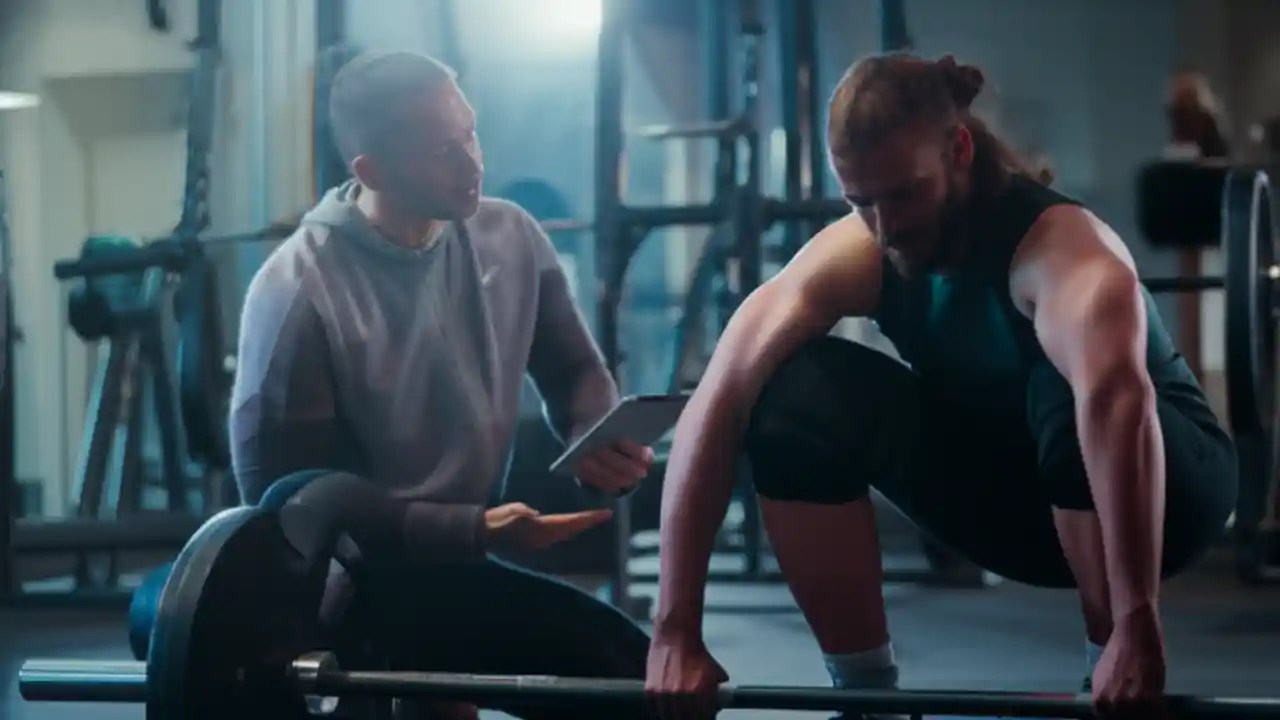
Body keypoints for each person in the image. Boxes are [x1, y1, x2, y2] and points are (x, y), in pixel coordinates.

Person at [644, 53, 1237, 720]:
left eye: (904, 194)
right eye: (861, 202)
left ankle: (1108, 663)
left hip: (1166, 497)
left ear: (958, 150)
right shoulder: (859, 250)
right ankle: (867, 698)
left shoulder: (1061, 251)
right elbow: (717, 404)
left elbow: (1115, 406)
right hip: (1014, 498)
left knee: (1064, 388)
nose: (885, 227)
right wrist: (674, 630)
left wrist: (1136, 625)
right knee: (793, 394)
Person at [230, 50, 655, 720]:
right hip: (353, 580)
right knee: (626, 686)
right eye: (441, 151)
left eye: (470, 134)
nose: (471, 163)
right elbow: (292, 510)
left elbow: (572, 369)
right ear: (372, 171)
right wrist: (471, 529)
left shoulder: (511, 236)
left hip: (458, 556)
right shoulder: (297, 292)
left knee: (647, 683)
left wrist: (595, 433)